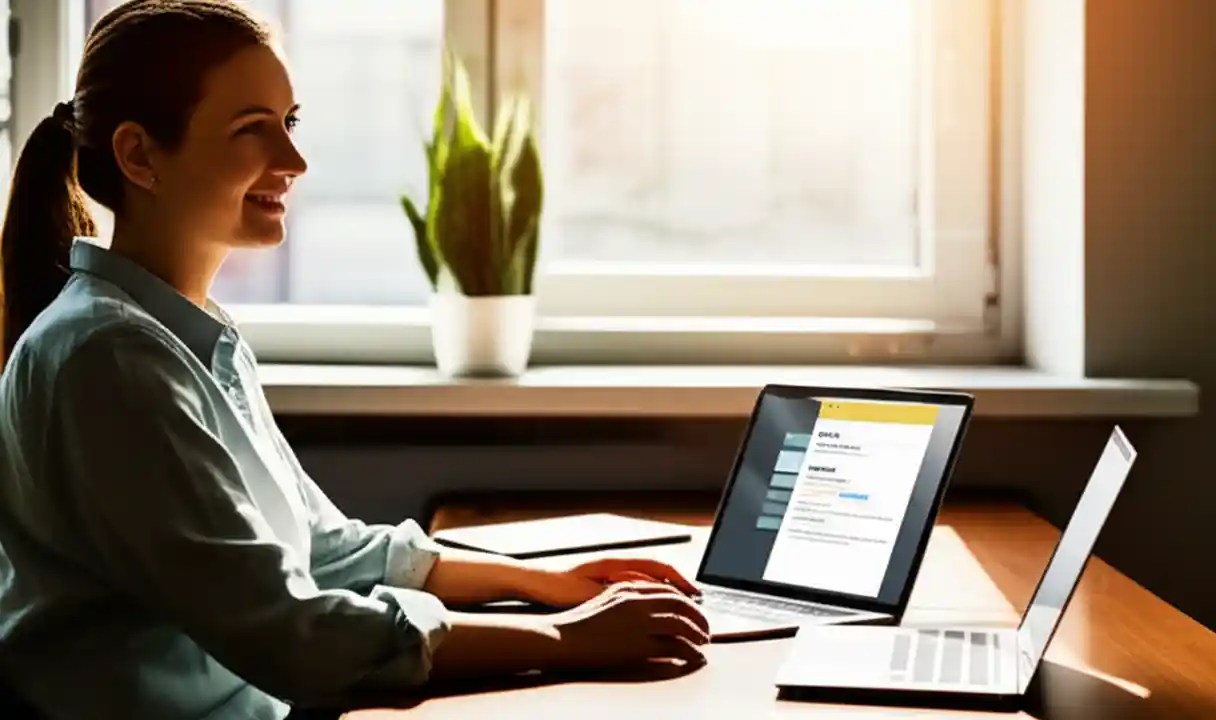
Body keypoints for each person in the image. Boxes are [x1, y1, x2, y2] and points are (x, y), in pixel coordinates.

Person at [0, 2, 709, 718]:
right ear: (139, 156)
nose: (295, 162)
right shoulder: (109, 360)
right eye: (254, 130)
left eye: (290, 123)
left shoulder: (185, 336)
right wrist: (561, 638)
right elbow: (290, 633)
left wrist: (546, 584)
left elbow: (323, 549)